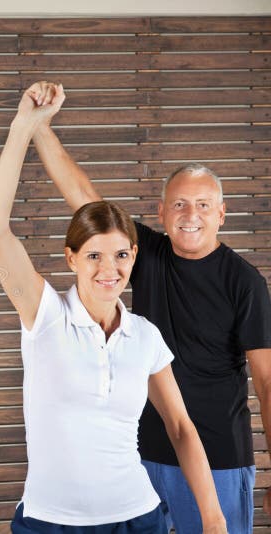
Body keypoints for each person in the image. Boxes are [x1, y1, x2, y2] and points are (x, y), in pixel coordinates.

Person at [0, 82, 227, 532]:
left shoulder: (144, 336)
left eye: (120, 255)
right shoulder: (44, 315)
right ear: (71, 258)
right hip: (49, 521)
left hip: (138, 518)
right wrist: (24, 126)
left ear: (134, 256)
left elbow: (180, 427)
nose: (108, 269)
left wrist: (214, 519)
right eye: (94, 255)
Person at [30, 81, 271, 533]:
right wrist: (40, 126)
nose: (191, 215)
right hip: (143, 456)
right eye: (179, 204)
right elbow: (83, 196)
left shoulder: (245, 282)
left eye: (203, 205)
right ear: (162, 212)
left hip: (217, 458)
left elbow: (267, 381)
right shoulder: (147, 255)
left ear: (221, 214)